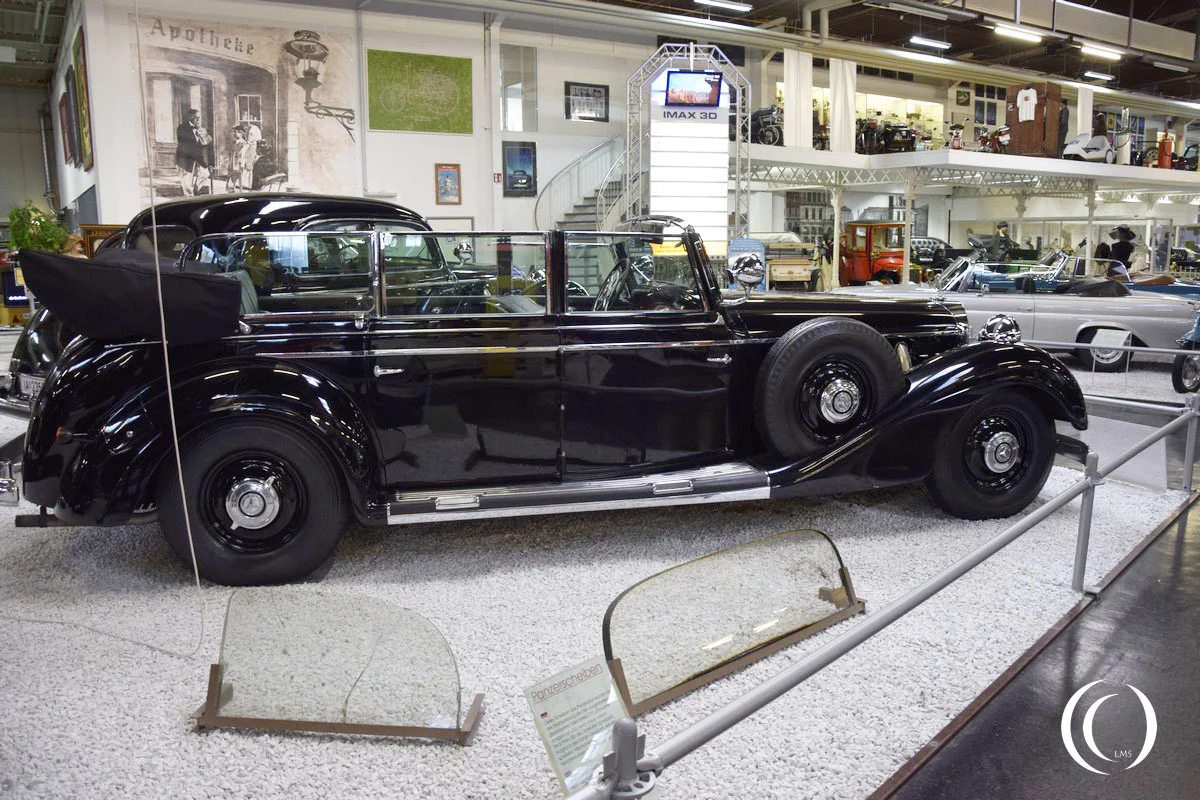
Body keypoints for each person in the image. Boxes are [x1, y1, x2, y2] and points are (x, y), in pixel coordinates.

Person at [175, 109, 212, 197]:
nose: (198, 120)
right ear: (191, 118)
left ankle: (196, 190)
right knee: (187, 180)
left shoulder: (200, 128)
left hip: (197, 156)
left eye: (199, 118)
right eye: (196, 118)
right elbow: (186, 145)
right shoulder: (182, 128)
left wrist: (202, 134)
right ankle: (189, 197)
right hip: (185, 157)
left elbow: (207, 142)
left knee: (205, 173)